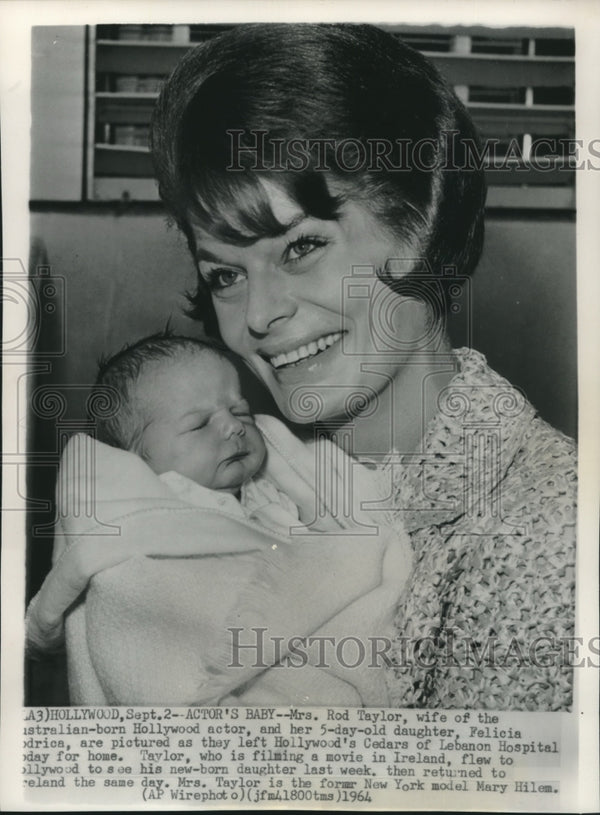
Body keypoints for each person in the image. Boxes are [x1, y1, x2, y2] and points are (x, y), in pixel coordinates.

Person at [30, 23, 576, 710]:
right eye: (225, 274)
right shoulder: (221, 483)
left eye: (299, 248)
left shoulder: (554, 531)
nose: (256, 314)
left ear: (424, 226)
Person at [27, 332, 412, 706]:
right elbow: (141, 624)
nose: (232, 426)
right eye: (198, 424)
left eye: (239, 410)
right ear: (136, 459)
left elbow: (336, 523)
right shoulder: (136, 533)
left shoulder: (270, 489)